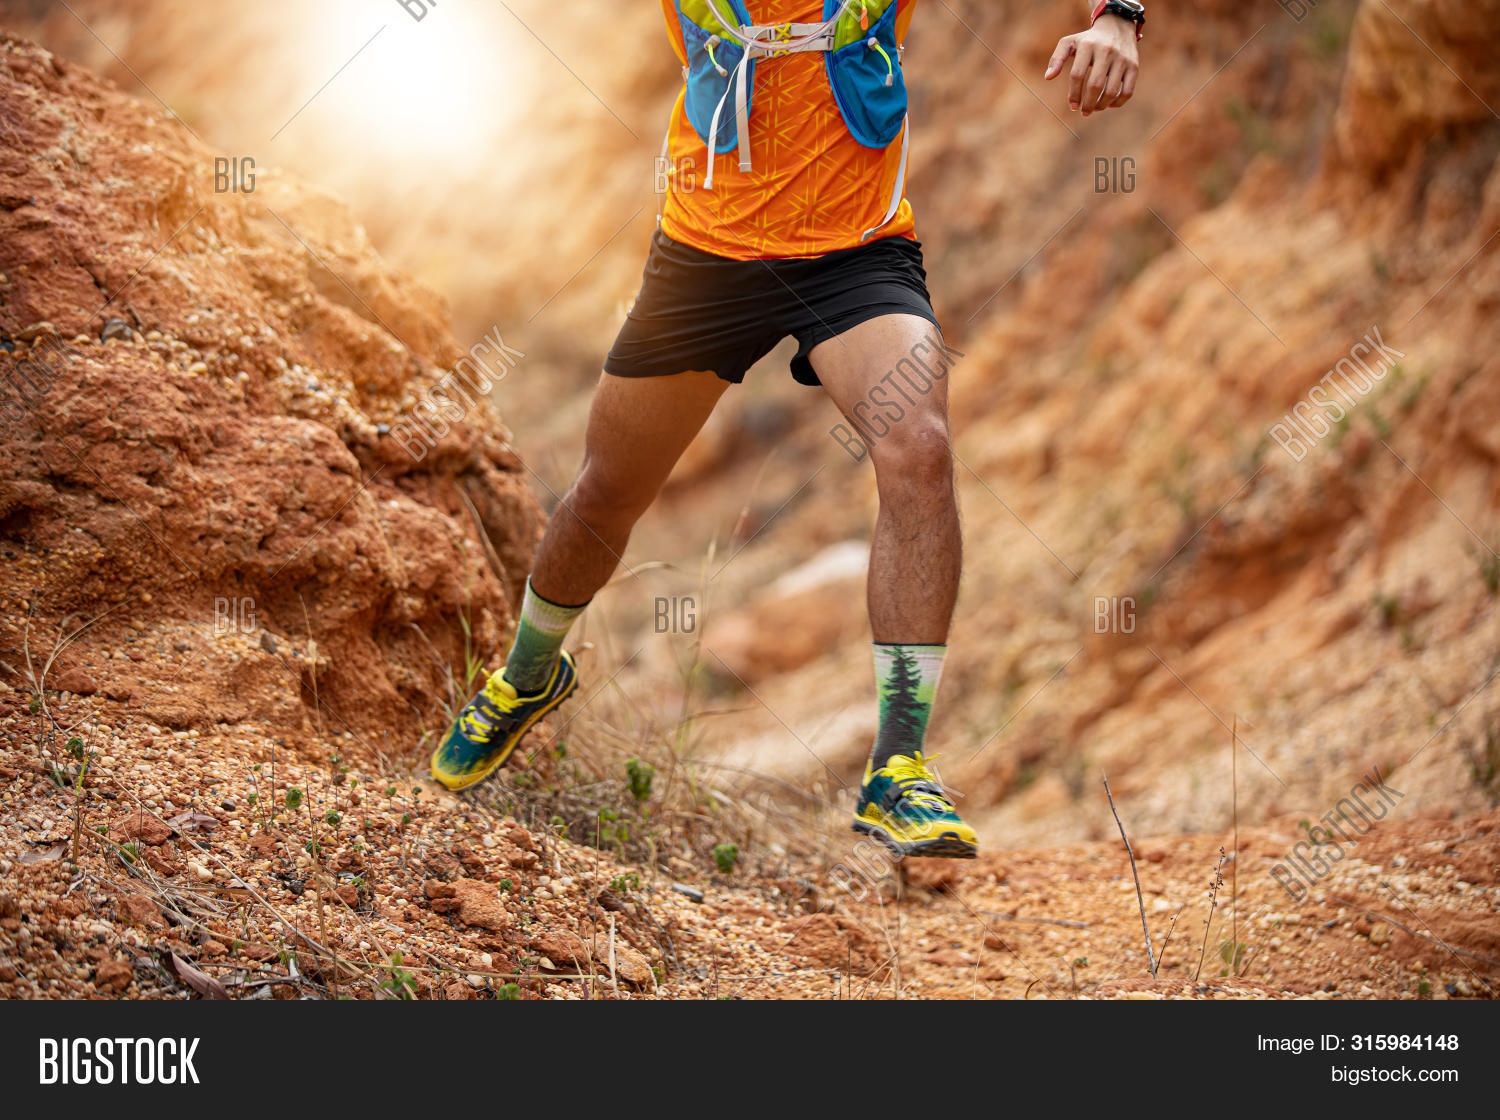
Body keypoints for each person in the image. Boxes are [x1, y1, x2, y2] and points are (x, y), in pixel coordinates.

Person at [432, 0, 1144, 859]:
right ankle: (528, 673)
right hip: (704, 256)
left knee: (920, 449)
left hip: (857, 254)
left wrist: (1117, 17)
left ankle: (900, 767)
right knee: (608, 491)